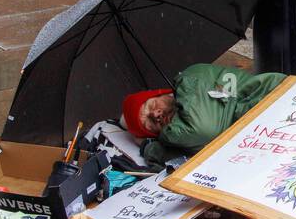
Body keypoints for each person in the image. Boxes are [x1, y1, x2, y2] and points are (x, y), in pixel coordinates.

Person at [120, 63, 287, 156]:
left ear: (160, 94)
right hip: (273, 140)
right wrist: (149, 148)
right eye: (149, 124)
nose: (156, 115)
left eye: (151, 106)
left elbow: (203, 130)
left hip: (280, 97)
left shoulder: (192, 77)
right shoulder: (182, 142)